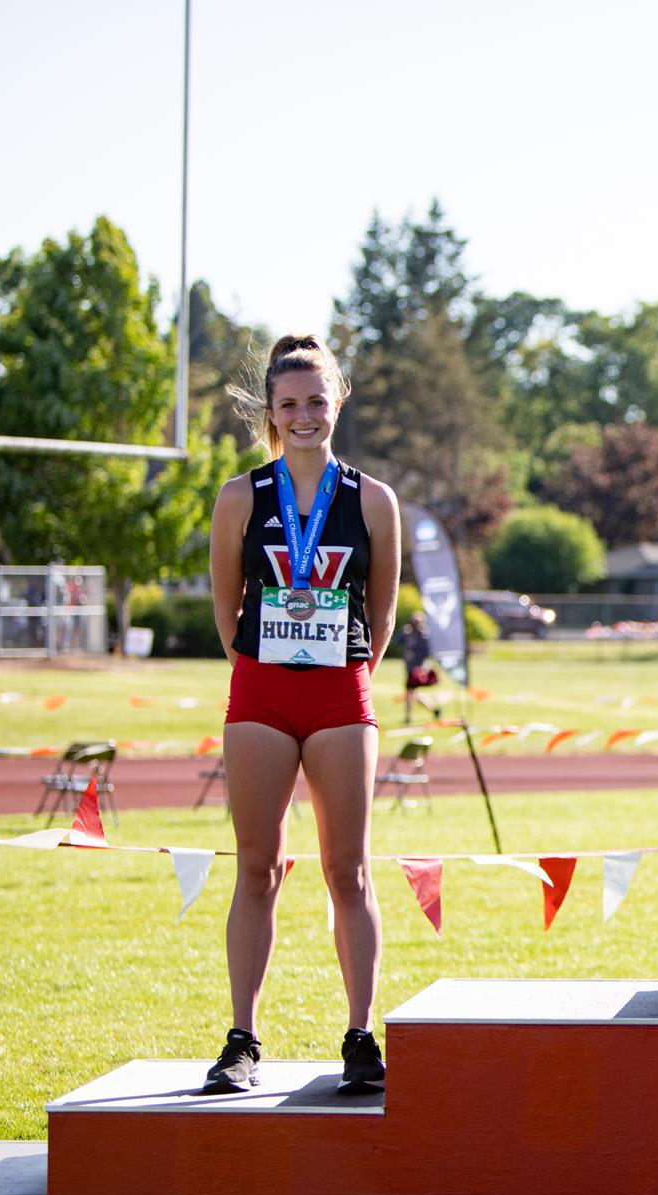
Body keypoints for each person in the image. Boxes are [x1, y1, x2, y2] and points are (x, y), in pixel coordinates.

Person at [203, 334, 402, 1095]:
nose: (304, 415)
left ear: (338, 400)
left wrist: (338, 670)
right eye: (289, 404)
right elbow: (227, 608)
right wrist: (262, 661)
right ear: (271, 413)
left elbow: (379, 618)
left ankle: (360, 1035)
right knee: (258, 867)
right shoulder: (240, 496)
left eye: (317, 400)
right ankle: (243, 1037)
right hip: (259, 693)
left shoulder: (373, 500)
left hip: (339, 694)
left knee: (347, 869)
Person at [400, 611, 436, 723]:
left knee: (410, 692)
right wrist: (404, 633)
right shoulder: (409, 633)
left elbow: (427, 652)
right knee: (412, 693)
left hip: (418, 669)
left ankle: (408, 717)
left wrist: (415, 656)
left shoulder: (424, 635)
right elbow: (397, 642)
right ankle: (433, 708)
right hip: (409, 667)